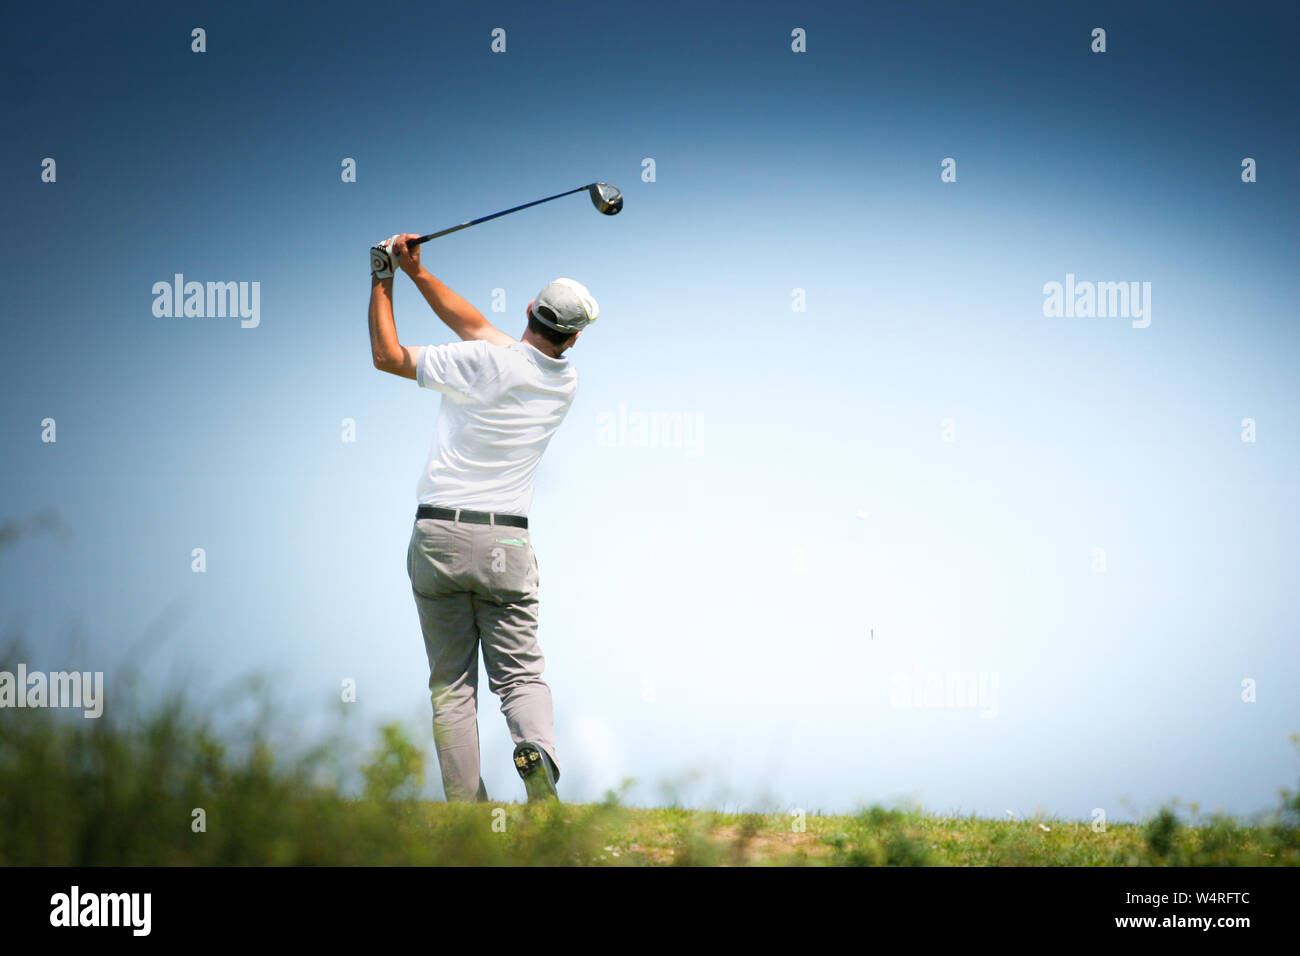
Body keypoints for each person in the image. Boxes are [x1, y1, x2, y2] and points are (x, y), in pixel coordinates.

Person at [366, 233, 598, 802]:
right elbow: (473, 325)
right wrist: (420, 274)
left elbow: (387, 357)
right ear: (573, 337)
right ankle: (537, 752)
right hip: (508, 544)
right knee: (521, 674)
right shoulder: (564, 382)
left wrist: (384, 276)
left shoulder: (479, 361)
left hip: (439, 532)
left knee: (452, 687)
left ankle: (466, 815)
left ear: (528, 309)